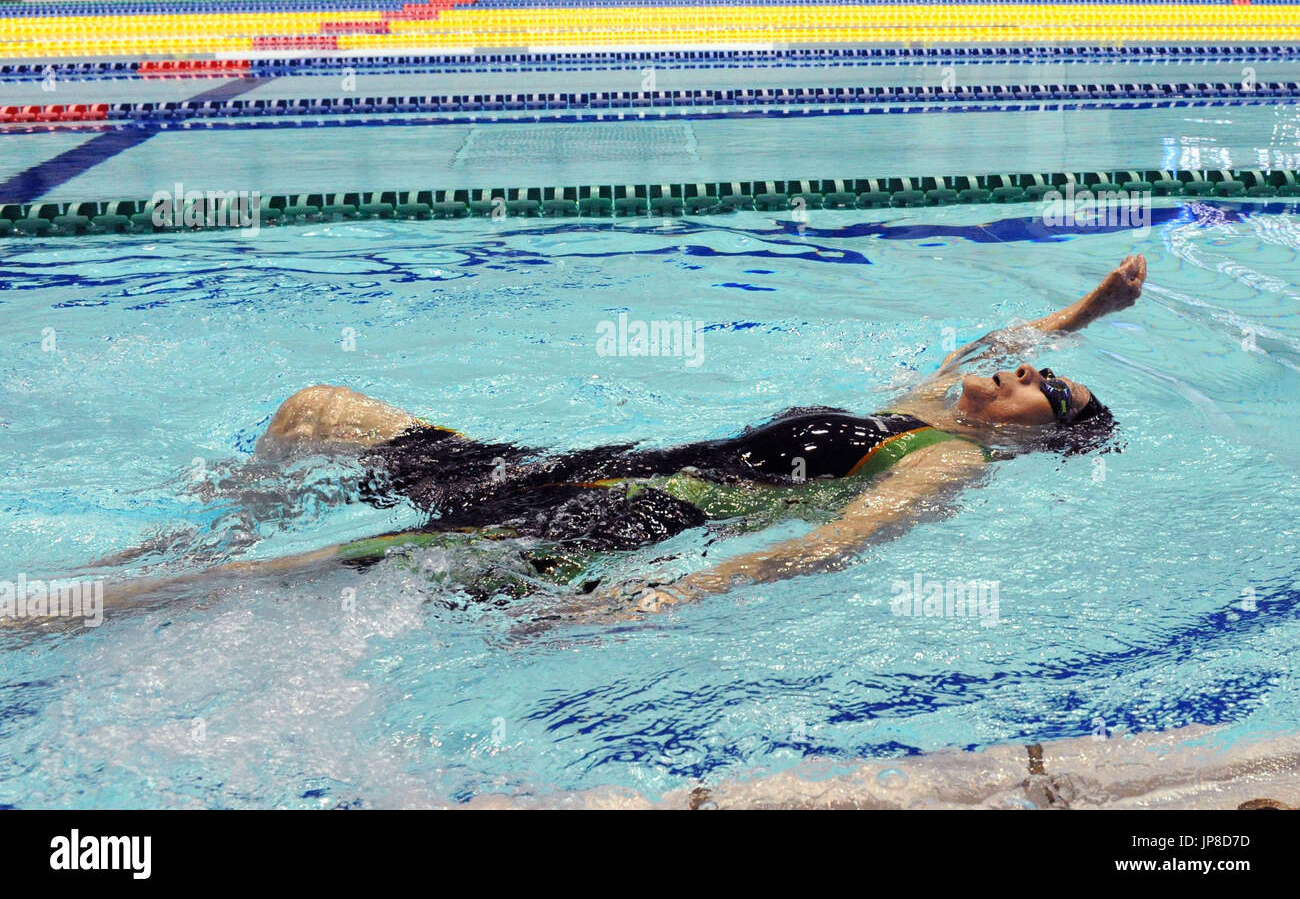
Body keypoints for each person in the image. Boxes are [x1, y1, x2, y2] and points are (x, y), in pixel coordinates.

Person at [225, 255, 1146, 612]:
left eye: (1054, 392)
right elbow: (995, 343)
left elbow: (837, 542)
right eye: (1042, 370)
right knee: (316, 409)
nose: (1034, 373)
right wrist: (1088, 314)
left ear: (1038, 438)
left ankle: (153, 591)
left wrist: (677, 594)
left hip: (646, 514)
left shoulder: (946, 455)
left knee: (335, 565)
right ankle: (222, 526)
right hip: (596, 469)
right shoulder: (926, 405)